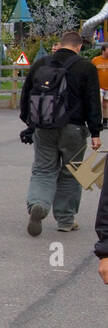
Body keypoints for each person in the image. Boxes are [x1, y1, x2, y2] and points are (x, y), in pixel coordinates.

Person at [19, 30, 103, 235]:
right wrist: (95, 132)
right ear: (79, 46)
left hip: (44, 127)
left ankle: (38, 204)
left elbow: (26, 95)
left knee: (43, 170)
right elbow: (93, 101)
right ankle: (65, 220)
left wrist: (30, 124)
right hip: (74, 129)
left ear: (60, 44)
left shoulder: (41, 64)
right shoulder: (86, 67)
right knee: (71, 173)